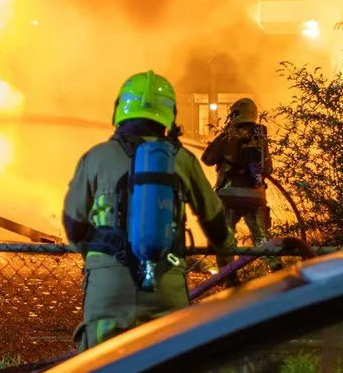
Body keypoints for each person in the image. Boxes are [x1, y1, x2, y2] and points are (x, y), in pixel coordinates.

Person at [63, 71, 235, 351]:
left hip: (107, 287)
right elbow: (214, 221)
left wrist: (101, 259)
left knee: (101, 361)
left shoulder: (95, 157)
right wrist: (229, 252)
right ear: (168, 115)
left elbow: (73, 227)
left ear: (121, 109)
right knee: (170, 359)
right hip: (165, 282)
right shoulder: (182, 159)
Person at [202, 97, 280, 271]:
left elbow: (207, 159)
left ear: (234, 114)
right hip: (256, 196)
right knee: (263, 239)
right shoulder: (260, 136)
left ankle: (229, 276)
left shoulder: (226, 136)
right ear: (254, 114)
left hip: (229, 197)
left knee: (224, 237)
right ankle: (276, 270)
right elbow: (268, 168)